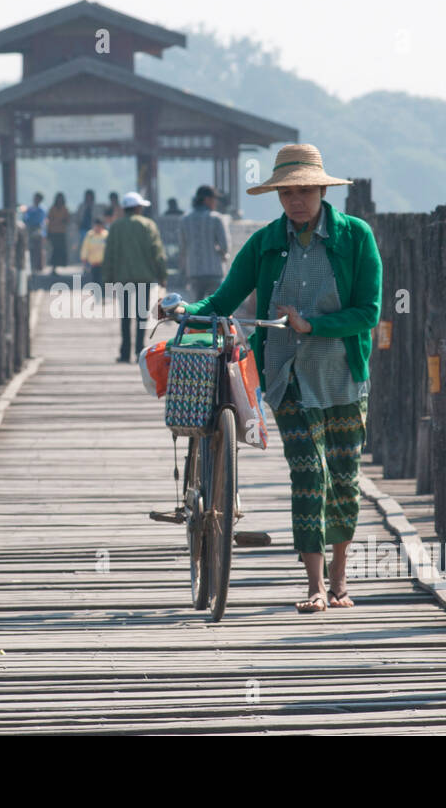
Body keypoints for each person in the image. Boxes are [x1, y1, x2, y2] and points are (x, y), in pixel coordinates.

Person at [161, 144, 381, 614]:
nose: (296, 201)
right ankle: (315, 586)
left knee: (344, 480)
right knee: (309, 476)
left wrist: (313, 325)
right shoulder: (265, 242)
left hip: (343, 379)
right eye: (286, 193)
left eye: (304, 190)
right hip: (287, 378)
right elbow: (222, 300)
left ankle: (340, 581)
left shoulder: (355, 238)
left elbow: (369, 312)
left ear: (322, 190)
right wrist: (184, 312)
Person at [102, 190, 167, 363]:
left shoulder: (116, 227)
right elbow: (157, 253)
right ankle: (139, 351)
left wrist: (107, 280)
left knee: (125, 315)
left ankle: (124, 353)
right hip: (144, 278)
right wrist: (162, 275)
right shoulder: (148, 225)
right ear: (137, 208)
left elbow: (109, 255)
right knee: (141, 315)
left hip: (122, 278)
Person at [178, 185, 229, 300]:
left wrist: (183, 268)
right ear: (207, 199)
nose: (216, 202)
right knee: (216, 306)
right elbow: (225, 246)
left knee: (197, 308)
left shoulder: (185, 219)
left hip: (194, 272)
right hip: (214, 271)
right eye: (214, 199)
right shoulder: (216, 218)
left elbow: (182, 248)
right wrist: (223, 255)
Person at [45, 192, 72, 275]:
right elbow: (49, 221)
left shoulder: (65, 209)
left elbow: (68, 220)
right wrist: (48, 232)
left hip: (61, 233)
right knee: (54, 250)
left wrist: (62, 222)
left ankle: (59, 266)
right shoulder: (52, 209)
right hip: (53, 233)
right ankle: (53, 267)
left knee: (60, 250)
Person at [79, 217, 108, 288]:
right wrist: (84, 258)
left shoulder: (106, 235)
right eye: (96, 226)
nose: (98, 228)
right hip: (94, 264)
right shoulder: (90, 235)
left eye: (99, 226)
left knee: (104, 282)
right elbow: (85, 247)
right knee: (95, 281)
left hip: (104, 264)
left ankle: (103, 296)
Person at [24, 193, 48, 271]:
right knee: (31, 249)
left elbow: (40, 220)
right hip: (30, 230)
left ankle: (39, 266)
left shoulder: (42, 209)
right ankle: (32, 266)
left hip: (38, 230)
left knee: (39, 249)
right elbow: (25, 218)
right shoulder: (30, 208)